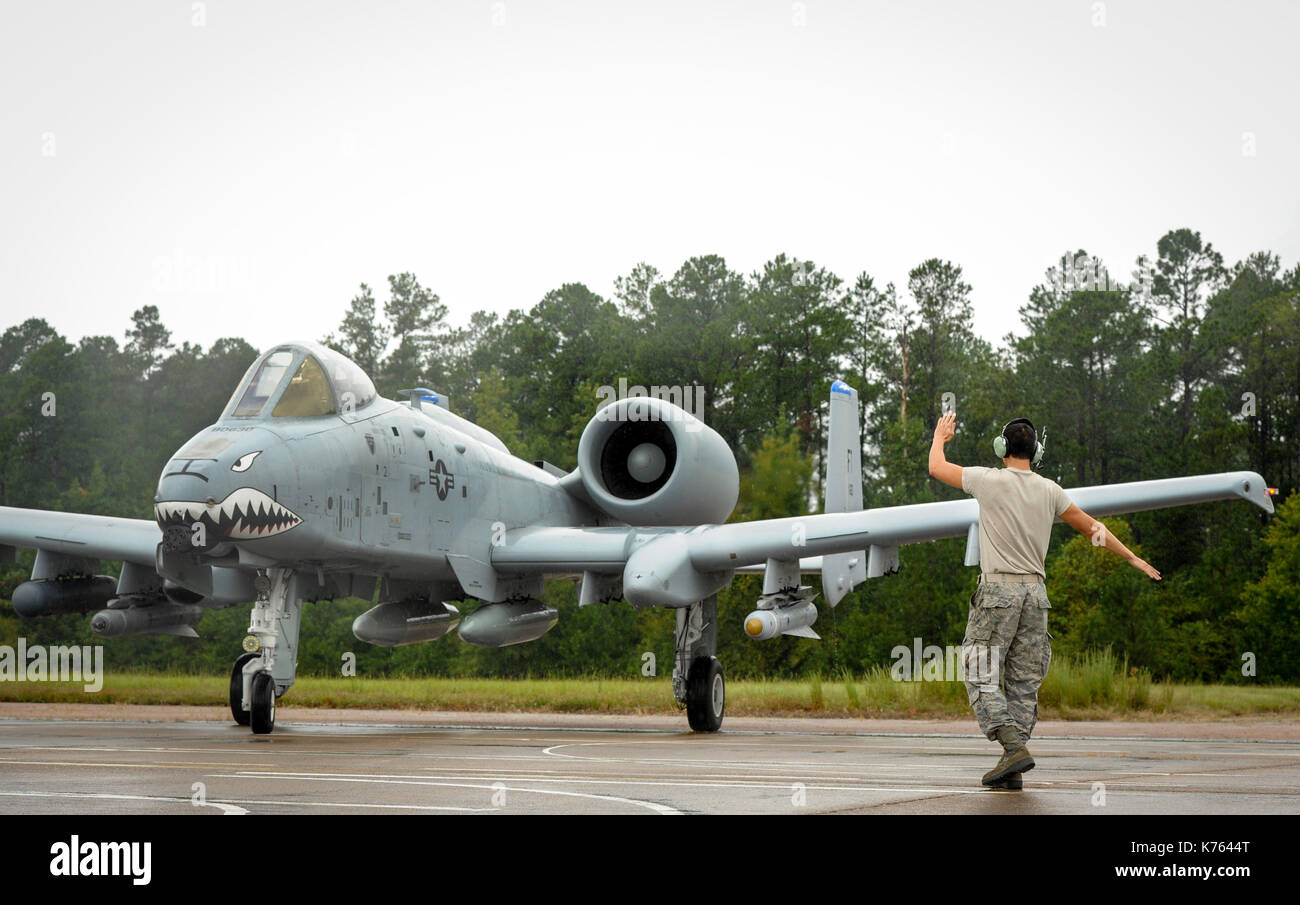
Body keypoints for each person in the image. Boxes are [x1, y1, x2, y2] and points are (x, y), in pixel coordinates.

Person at [927, 412, 1161, 790]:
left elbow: (936, 468)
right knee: (1023, 681)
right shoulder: (1050, 490)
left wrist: (941, 435)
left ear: (1002, 449)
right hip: (1037, 596)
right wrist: (1131, 557)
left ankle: (1012, 746)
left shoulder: (987, 481)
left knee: (977, 669)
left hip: (998, 592)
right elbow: (1092, 528)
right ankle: (1012, 767)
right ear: (1035, 452)